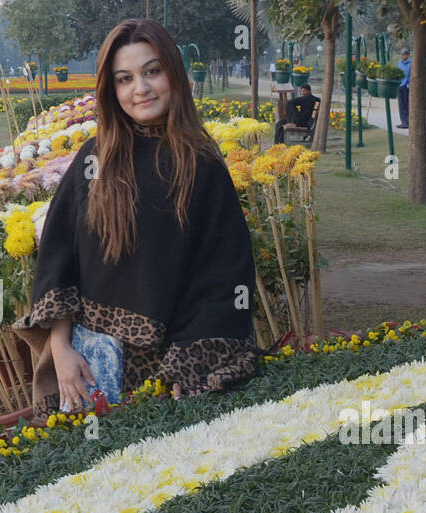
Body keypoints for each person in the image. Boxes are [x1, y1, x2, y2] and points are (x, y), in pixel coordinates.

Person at [14, 17, 259, 417]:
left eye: (152, 72)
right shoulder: (95, 159)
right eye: (124, 79)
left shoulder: (201, 163)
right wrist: (60, 349)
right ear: (111, 90)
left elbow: (225, 274)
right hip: (88, 364)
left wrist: (185, 367)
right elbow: (59, 260)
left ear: (173, 75)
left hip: (173, 368)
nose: (140, 89)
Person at [396, 49, 411, 128]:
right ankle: (403, 122)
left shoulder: (411, 63)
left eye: (404, 55)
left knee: (406, 104)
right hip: (400, 86)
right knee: (401, 105)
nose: (403, 56)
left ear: (408, 55)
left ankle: (408, 122)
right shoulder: (399, 63)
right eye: (402, 55)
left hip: (407, 86)